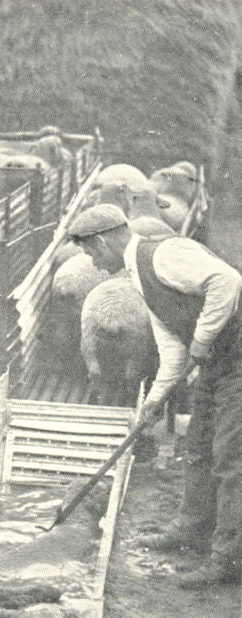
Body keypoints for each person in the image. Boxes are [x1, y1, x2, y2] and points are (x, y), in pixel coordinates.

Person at [67, 203, 241, 588]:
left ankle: (228, 560)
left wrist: (202, 337)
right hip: (218, 360)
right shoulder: (141, 277)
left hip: (237, 357)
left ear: (103, 241)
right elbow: (173, 352)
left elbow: (227, 282)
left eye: (91, 252)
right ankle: (192, 530)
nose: (93, 264)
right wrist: (153, 402)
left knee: (231, 458)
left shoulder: (165, 254)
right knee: (198, 447)